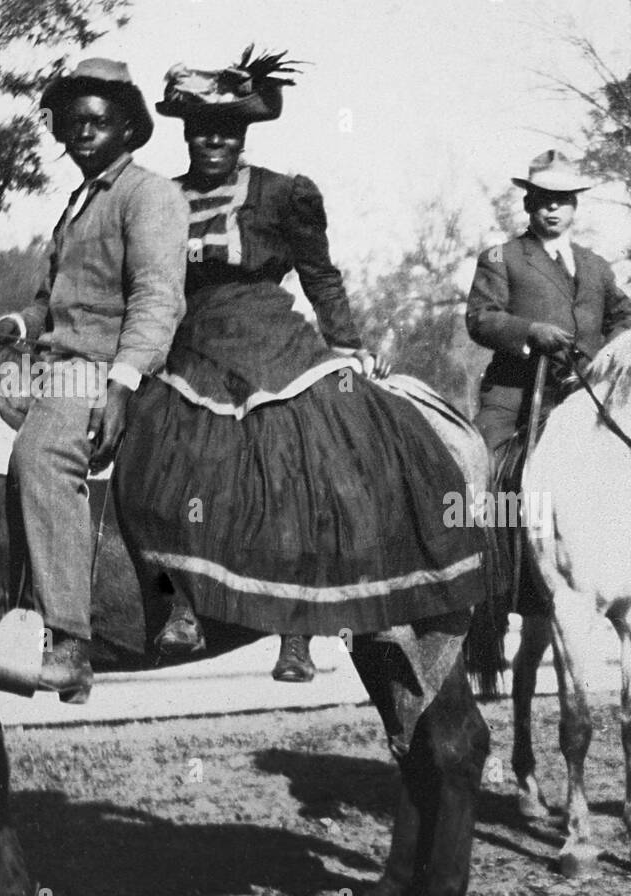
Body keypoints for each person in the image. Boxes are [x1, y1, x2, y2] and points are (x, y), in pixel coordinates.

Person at [116, 48, 485, 671]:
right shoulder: (162, 199)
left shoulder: (283, 195)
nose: (212, 140)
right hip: (191, 344)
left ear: (244, 134)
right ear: (184, 132)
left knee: (309, 456)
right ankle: (178, 601)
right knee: (161, 447)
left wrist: (345, 344)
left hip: (274, 339)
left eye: (226, 130)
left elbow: (321, 277)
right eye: (200, 129)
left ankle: (301, 629)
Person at [0, 59, 190, 703]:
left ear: (129, 128)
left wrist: (122, 383)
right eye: (74, 120)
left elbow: (157, 298)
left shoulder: (149, 195)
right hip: (50, 362)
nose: (83, 131)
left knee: (42, 457)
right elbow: (48, 302)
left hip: (99, 369)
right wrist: (13, 327)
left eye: (99, 121)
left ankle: (69, 641)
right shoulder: (77, 204)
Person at [465, 150, 631, 619]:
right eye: (543, 200)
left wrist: (609, 356)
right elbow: (481, 318)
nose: (553, 209)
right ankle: (483, 571)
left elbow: (627, 316)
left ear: (575, 206)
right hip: (520, 396)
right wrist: (529, 333)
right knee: (482, 466)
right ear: (528, 203)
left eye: (562, 200)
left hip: (589, 397)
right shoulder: (502, 258)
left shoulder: (595, 265)